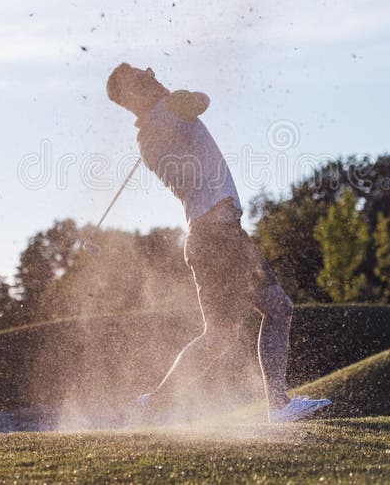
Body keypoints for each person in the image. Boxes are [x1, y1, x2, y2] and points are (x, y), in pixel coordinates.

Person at [106, 62, 331, 423]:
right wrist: (171, 97)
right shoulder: (168, 112)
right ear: (132, 92)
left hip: (209, 236)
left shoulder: (149, 132)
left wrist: (166, 100)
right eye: (140, 74)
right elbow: (202, 100)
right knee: (275, 310)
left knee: (224, 333)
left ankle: (156, 403)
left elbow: (193, 104)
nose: (150, 72)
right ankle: (278, 405)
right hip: (219, 235)